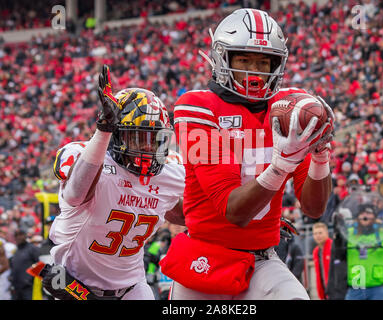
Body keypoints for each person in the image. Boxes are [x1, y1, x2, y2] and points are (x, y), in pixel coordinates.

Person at [161, 8, 335, 300]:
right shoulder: (198, 107)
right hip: (206, 259)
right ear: (222, 58)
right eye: (244, 59)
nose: (255, 71)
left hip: (262, 259)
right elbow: (234, 212)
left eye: (263, 61)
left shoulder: (287, 109)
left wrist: (319, 156)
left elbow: (314, 209)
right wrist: (282, 164)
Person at [42, 65, 185, 300]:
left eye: (154, 138)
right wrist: (102, 131)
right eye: (138, 138)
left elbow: (184, 213)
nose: (148, 147)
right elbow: (76, 194)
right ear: (117, 135)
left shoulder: (170, 172)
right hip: (76, 288)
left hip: (133, 287)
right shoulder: (91, 161)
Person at [334, 199, 383, 300]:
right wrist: (338, 238)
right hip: (355, 288)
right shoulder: (348, 234)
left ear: (374, 216)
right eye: (362, 213)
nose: (365, 216)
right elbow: (339, 256)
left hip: (379, 288)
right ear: (357, 216)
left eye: (369, 213)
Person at [9, 229, 40, 300]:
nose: (18, 237)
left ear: (25, 236)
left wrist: (29, 279)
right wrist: (11, 276)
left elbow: (40, 264)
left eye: (20, 234)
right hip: (16, 288)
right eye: (16, 235)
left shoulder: (33, 249)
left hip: (29, 288)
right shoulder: (15, 251)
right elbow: (14, 266)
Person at [311, 222, 332, 300]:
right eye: (315, 233)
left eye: (320, 233)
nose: (318, 236)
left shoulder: (333, 247)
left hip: (336, 292)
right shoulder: (316, 251)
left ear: (327, 233)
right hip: (324, 293)